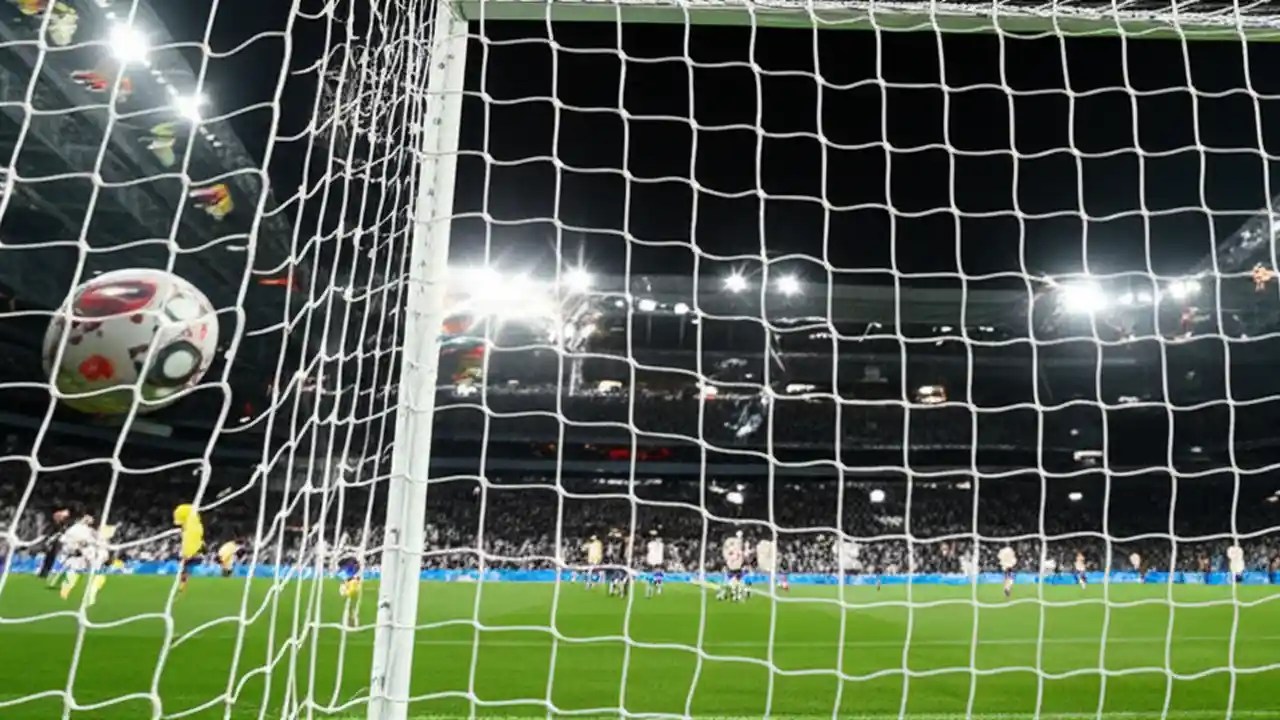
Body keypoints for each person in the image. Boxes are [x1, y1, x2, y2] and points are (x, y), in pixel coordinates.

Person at [173, 504, 205, 594]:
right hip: (192, 552)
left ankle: (183, 583)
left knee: (184, 568)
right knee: (184, 568)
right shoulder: (194, 527)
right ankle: (183, 583)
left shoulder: (193, 529)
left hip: (192, 553)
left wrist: (188, 553)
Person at [39, 508, 71, 587]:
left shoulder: (61, 525)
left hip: (55, 542)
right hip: (51, 542)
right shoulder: (53, 525)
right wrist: (49, 540)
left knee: (51, 558)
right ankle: (44, 572)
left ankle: (46, 572)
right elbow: (49, 533)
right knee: (49, 557)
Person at [645, 531, 664, 598]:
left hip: (654, 563)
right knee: (653, 579)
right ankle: (651, 591)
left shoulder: (652, 544)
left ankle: (652, 590)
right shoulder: (658, 544)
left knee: (654, 578)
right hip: (654, 563)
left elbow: (649, 552)